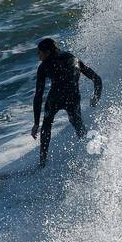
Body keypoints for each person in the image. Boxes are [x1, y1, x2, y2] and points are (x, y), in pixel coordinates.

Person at [30, 38, 102, 166]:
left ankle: (42, 163)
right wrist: (96, 97)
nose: (38, 56)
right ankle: (91, 154)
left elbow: (38, 95)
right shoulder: (73, 59)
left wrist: (36, 123)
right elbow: (97, 79)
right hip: (73, 97)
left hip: (55, 97)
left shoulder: (44, 66)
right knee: (78, 125)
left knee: (46, 125)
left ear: (47, 52)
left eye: (39, 53)